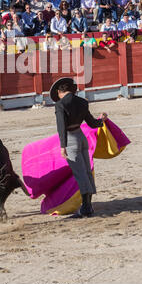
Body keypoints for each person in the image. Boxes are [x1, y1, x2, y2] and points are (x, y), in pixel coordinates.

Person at [50, 77, 106, 218]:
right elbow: (92, 123)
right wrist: (102, 120)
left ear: (60, 91)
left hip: (71, 139)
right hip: (82, 137)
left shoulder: (60, 105)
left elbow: (61, 127)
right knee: (87, 171)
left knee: (80, 173)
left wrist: (63, 146)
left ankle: (86, 207)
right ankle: (89, 205)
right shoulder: (82, 102)